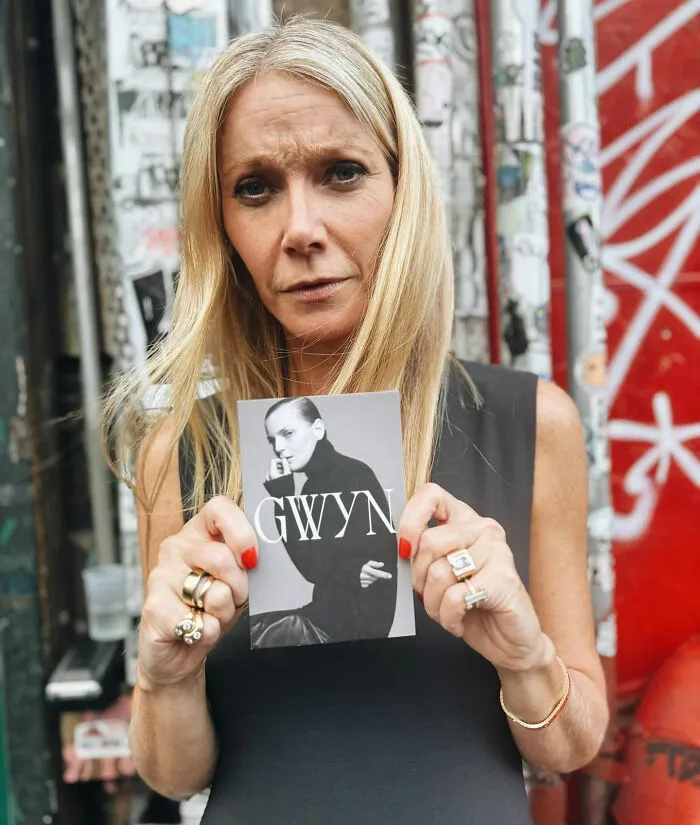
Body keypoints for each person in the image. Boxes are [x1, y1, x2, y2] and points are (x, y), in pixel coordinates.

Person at [103, 15, 608, 824]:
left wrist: (526, 655)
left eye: (342, 172)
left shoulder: (531, 423)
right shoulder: (185, 453)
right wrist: (166, 673)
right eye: (256, 187)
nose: (301, 229)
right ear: (222, 226)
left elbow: (572, 745)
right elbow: (173, 773)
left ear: (403, 191)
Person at [250, 396, 398, 647]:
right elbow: (320, 563)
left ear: (318, 429)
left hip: (339, 630)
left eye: (287, 433)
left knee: (248, 636)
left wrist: (283, 497)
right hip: (329, 622)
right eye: (272, 440)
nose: (278, 448)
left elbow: (312, 568)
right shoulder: (320, 481)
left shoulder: (350, 475)